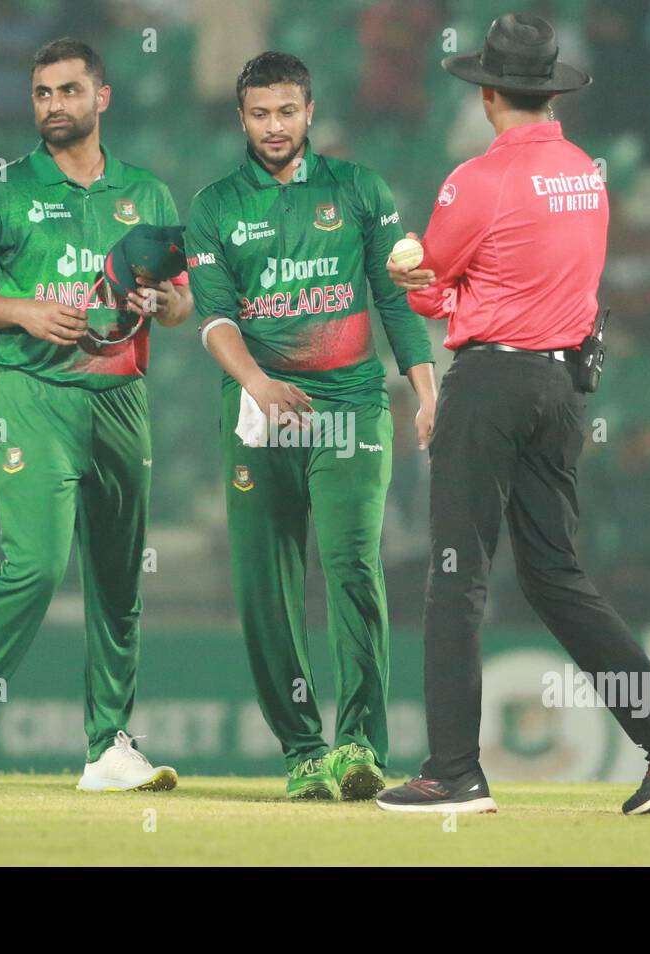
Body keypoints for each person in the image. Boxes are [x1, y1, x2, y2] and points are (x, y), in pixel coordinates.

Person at [376, 13, 650, 815]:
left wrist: (411, 273)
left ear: (490, 93)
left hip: (490, 382)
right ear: (549, 93)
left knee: (457, 577)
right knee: (553, 574)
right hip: (561, 391)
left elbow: (433, 288)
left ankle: (453, 771)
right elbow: (537, 275)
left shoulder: (475, 179)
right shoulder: (587, 174)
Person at [0, 38, 193, 792]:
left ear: (101, 98)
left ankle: (108, 746)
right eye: (43, 93)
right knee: (37, 565)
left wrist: (163, 301)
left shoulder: (149, 194)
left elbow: (179, 303)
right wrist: (25, 312)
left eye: (69, 91)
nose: (54, 106)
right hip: (33, 394)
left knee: (117, 581)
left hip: (120, 396)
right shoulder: (2, 190)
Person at [185, 52, 438, 800]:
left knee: (353, 564)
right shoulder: (214, 206)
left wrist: (424, 390)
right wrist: (258, 383)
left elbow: (396, 302)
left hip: (350, 410)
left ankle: (359, 743)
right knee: (267, 585)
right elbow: (214, 318)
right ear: (242, 119)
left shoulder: (360, 191)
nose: (274, 126)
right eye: (260, 114)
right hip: (259, 414)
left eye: (286, 111)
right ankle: (302, 750)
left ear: (310, 113)